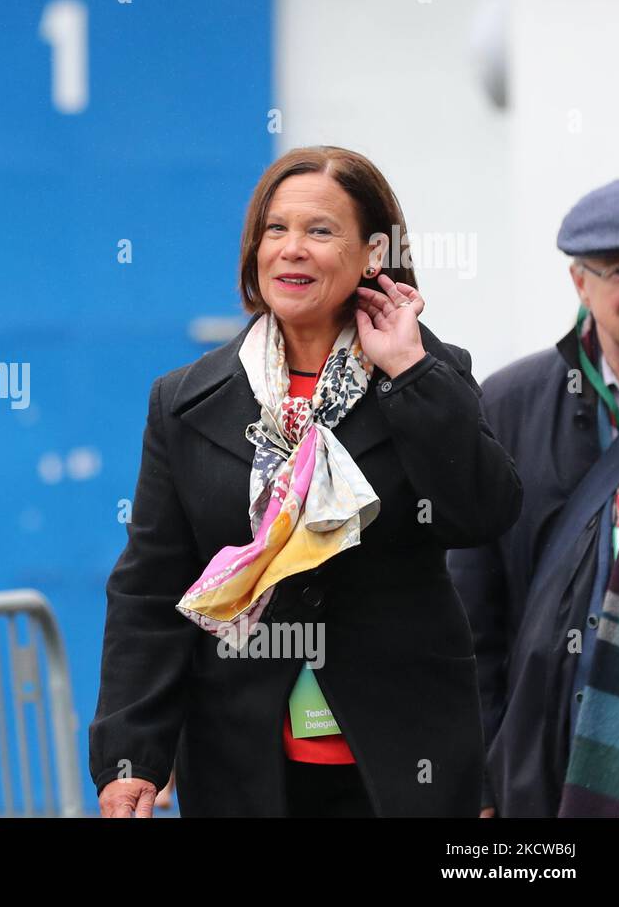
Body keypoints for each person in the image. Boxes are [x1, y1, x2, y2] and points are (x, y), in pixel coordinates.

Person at [90, 145, 522, 817]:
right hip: (243, 757)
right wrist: (132, 753)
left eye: (320, 231)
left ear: (372, 255)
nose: (292, 249)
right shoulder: (186, 400)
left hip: (404, 753)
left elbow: (481, 513)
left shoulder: (425, 373)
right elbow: (150, 583)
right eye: (276, 230)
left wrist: (408, 375)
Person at [449, 178, 619, 817]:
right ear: (581, 283)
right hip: (549, 762)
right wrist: (486, 772)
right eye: (618, 271)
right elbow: (473, 611)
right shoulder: (510, 403)